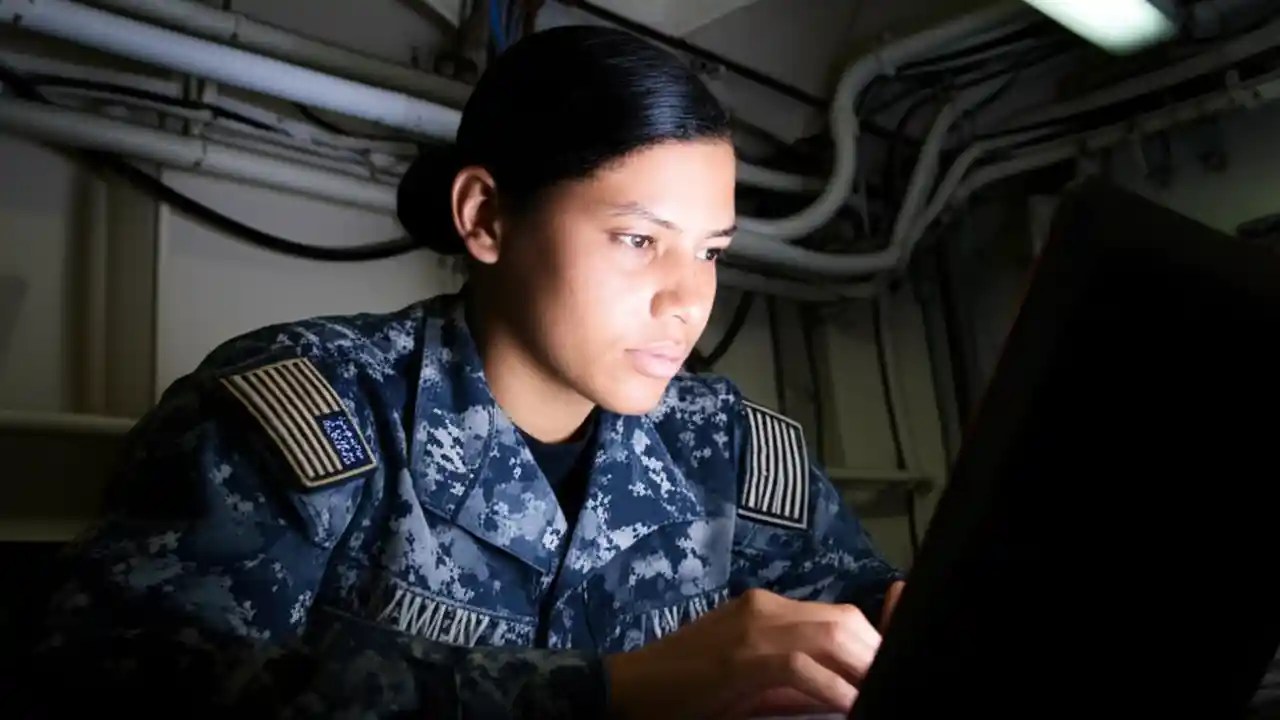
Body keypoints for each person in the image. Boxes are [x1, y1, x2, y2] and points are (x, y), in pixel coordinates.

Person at [25, 25, 905, 719]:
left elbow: (864, 619)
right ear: (486, 218)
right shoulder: (309, 414)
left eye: (711, 252)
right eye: (639, 241)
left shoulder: (731, 449)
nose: (688, 300)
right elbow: (117, 676)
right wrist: (611, 693)